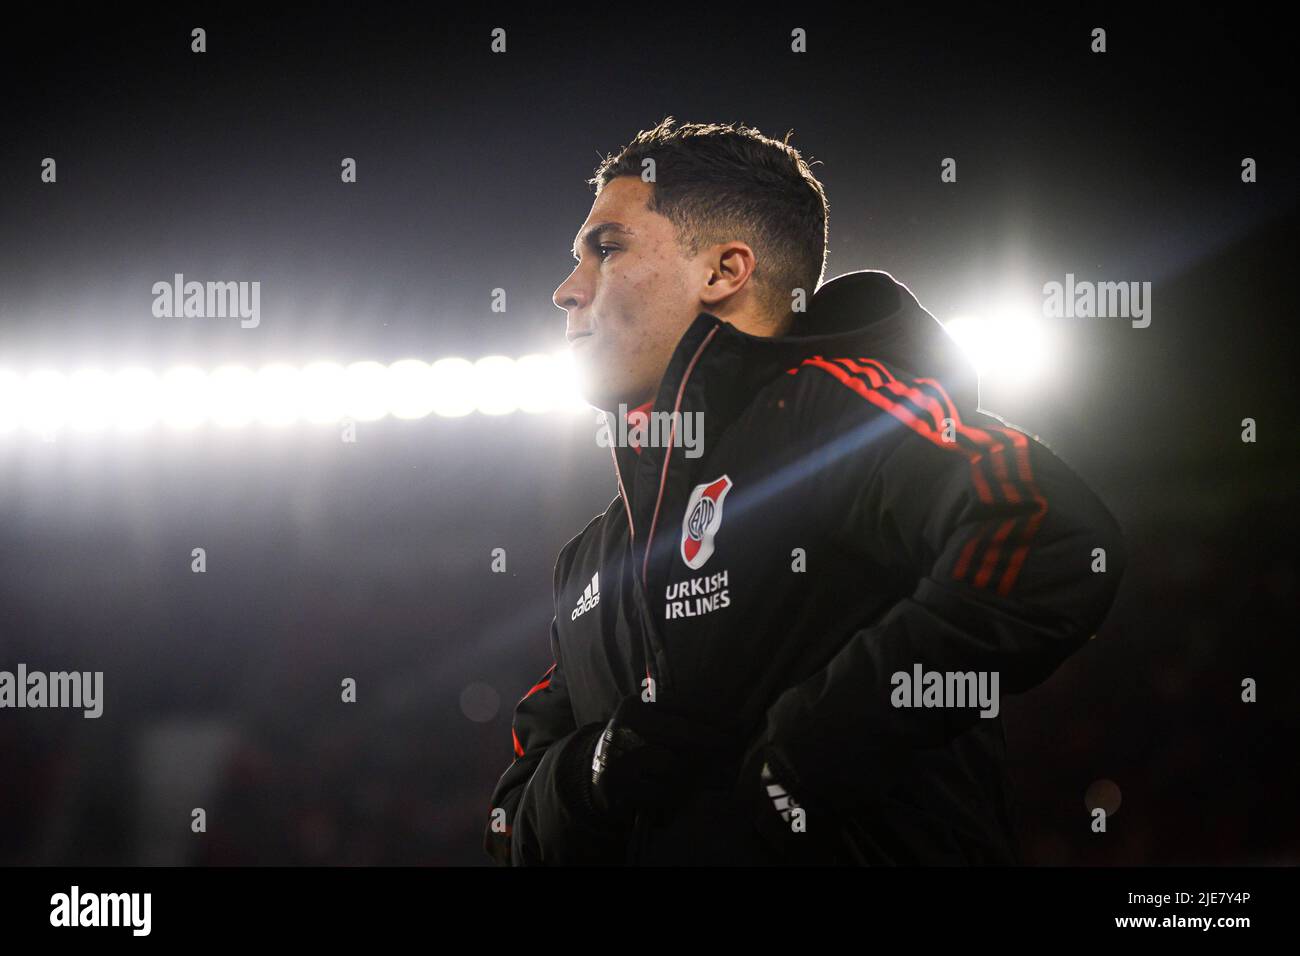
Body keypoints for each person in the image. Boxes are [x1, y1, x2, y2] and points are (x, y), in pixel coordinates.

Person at [484, 117, 1127, 865]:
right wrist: (591, 772)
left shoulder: (838, 418)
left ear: (724, 271)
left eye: (608, 249)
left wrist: (799, 761)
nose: (567, 290)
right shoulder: (592, 557)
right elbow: (507, 831)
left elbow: (1051, 535)